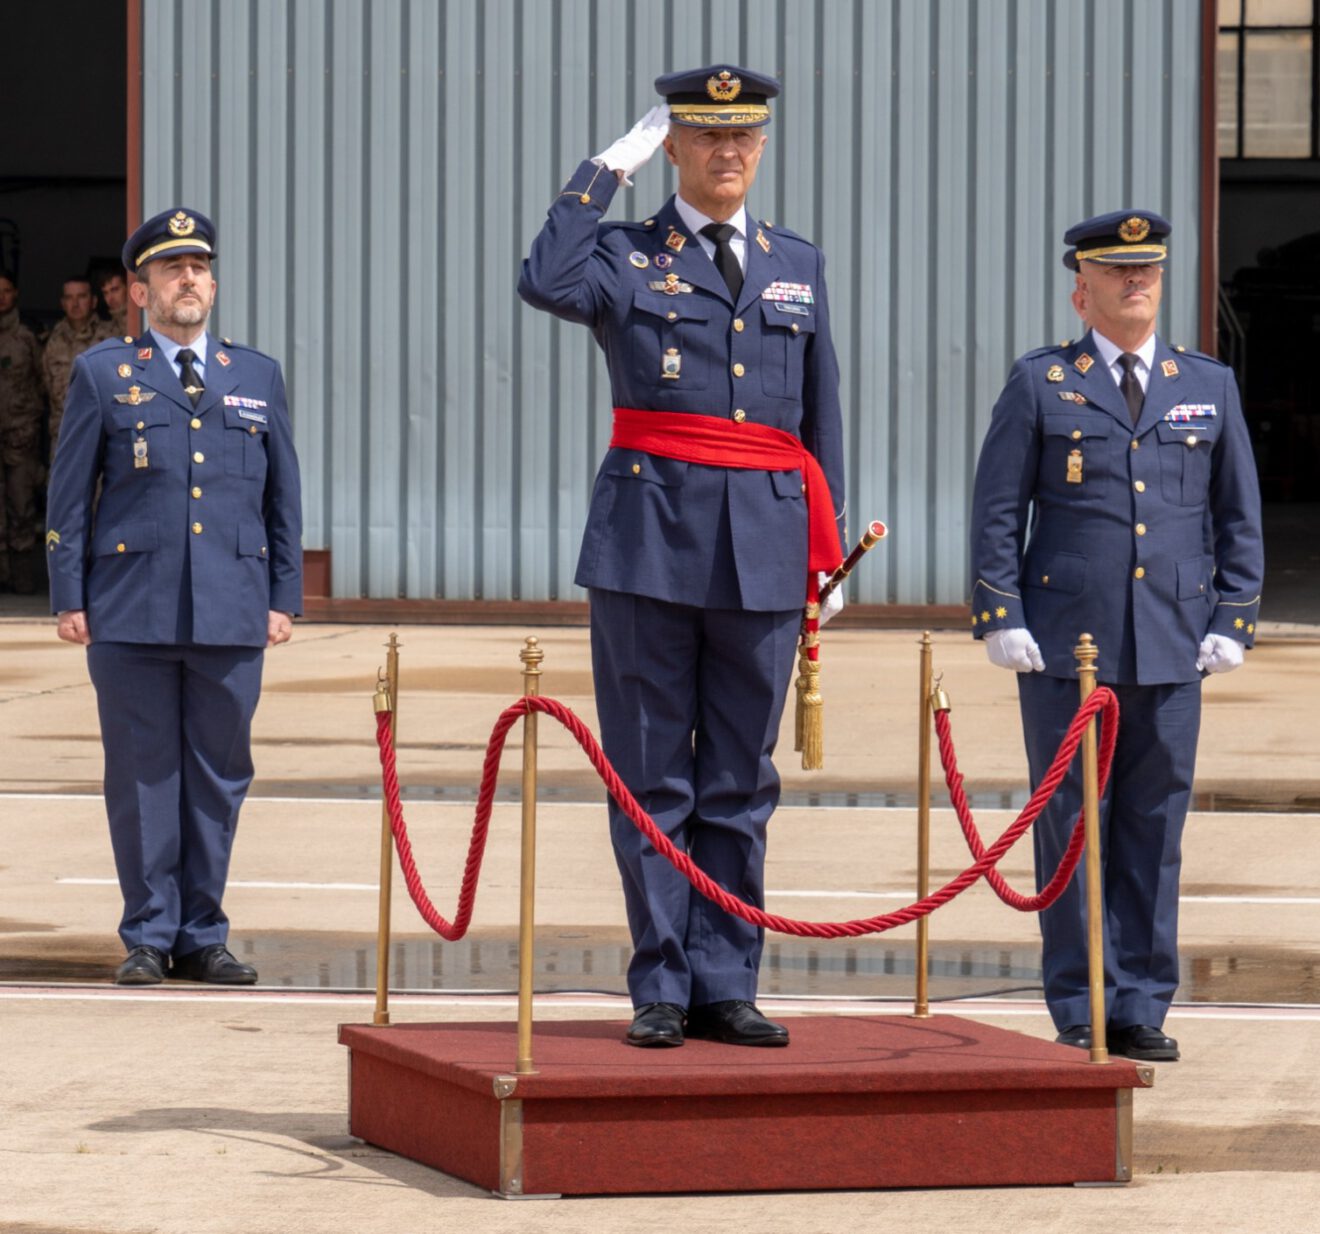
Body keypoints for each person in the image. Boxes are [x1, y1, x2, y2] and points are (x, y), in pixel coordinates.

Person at [519, 66, 846, 1049]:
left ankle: (726, 982)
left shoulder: (796, 262)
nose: (727, 151)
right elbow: (544, 279)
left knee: (741, 779)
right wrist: (600, 174)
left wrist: (823, 549)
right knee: (653, 773)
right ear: (672, 147)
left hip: (767, 547)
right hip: (649, 546)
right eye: (706, 135)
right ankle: (661, 981)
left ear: (762, 145)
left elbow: (820, 414)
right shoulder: (624, 255)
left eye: (743, 135)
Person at [969, 210, 1264, 1061]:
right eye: (1116, 271)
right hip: (1067, 644)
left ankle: (1139, 1003)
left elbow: (1237, 514)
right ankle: (1081, 1001)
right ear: (1082, 290)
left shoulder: (1206, 384)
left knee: (1153, 827)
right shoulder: (1042, 382)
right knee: (1071, 825)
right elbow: (998, 509)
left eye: (1148, 271)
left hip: (1172, 641)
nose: (1136, 282)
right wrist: (1001, 613)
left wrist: (1234, 617)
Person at [46, 207, 303, 986]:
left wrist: (284, 595)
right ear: (140, 291)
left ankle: (203, 935)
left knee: (218, 777)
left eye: (198, 268)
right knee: (142, 777)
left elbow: (283, 496)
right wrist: (68, 594)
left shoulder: (255, 375)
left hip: (232, 606)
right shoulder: (104, 374)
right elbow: (69, 493)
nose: (188, 280)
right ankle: (150, 934)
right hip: (132, 608)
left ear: (213, 286)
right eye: (170, 269)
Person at [0, 269, 46, 594]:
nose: (0, 297)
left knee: (22, 507)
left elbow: (45, 383)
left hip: (20, 438)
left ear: (15, 294)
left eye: (5, 290)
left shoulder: (28, 337)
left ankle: (22, 579)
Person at [44, 274, 115, 455]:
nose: (75, 304)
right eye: (69, 298)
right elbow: (43, 384)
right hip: (63, 436)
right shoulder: (51, 340)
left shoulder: (111, 336)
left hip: (102, 436)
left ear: (93, 301)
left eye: (82, 296)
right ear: (62, 303)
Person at [97, 268, 131, 337]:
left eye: (115, 290)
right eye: (105, 293)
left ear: (128, 288)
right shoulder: (104, 328)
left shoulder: (143, 319)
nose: (110, 298)